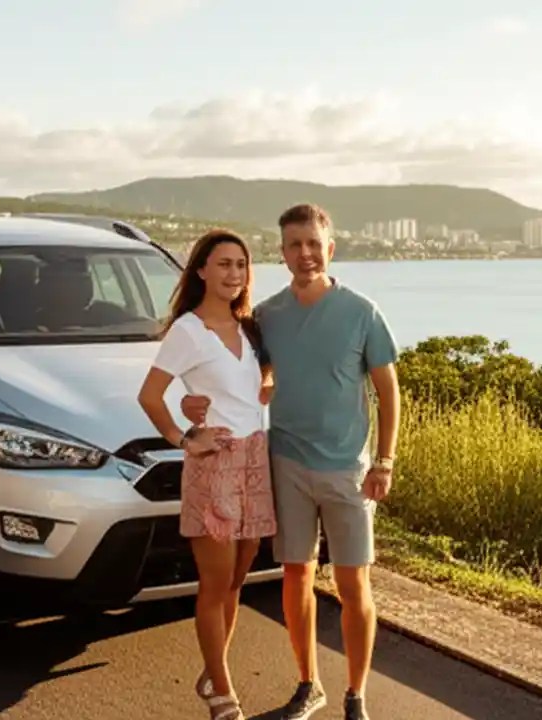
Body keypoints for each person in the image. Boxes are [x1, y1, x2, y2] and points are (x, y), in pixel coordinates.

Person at [182, 203, 400, 720]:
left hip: (348, 468)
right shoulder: (269, 318)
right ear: (282, 254)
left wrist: (385, 460)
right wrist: (193, 407)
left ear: (330, 247)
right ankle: (309, 685)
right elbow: (236, 376)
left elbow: (388, 392)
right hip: (287, 464)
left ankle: (355, 695)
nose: (305, 254)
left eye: (313, 243)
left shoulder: (362, 312)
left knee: (352, 585)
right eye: (294, 245)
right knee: (296, 575)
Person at [137, 229, 277, 720]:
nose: (233, 274)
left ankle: (213, 668)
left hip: (255, 461)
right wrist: (184, 437)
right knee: (215, 582)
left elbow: (257, 388)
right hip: (214, 465)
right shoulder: (187, 331)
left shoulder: (250, 329)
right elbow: (150, 396)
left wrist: (268, 391)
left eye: (240, 265)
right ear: (200, 270)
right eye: (223, 264)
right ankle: (222, 691)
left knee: (240, 577)